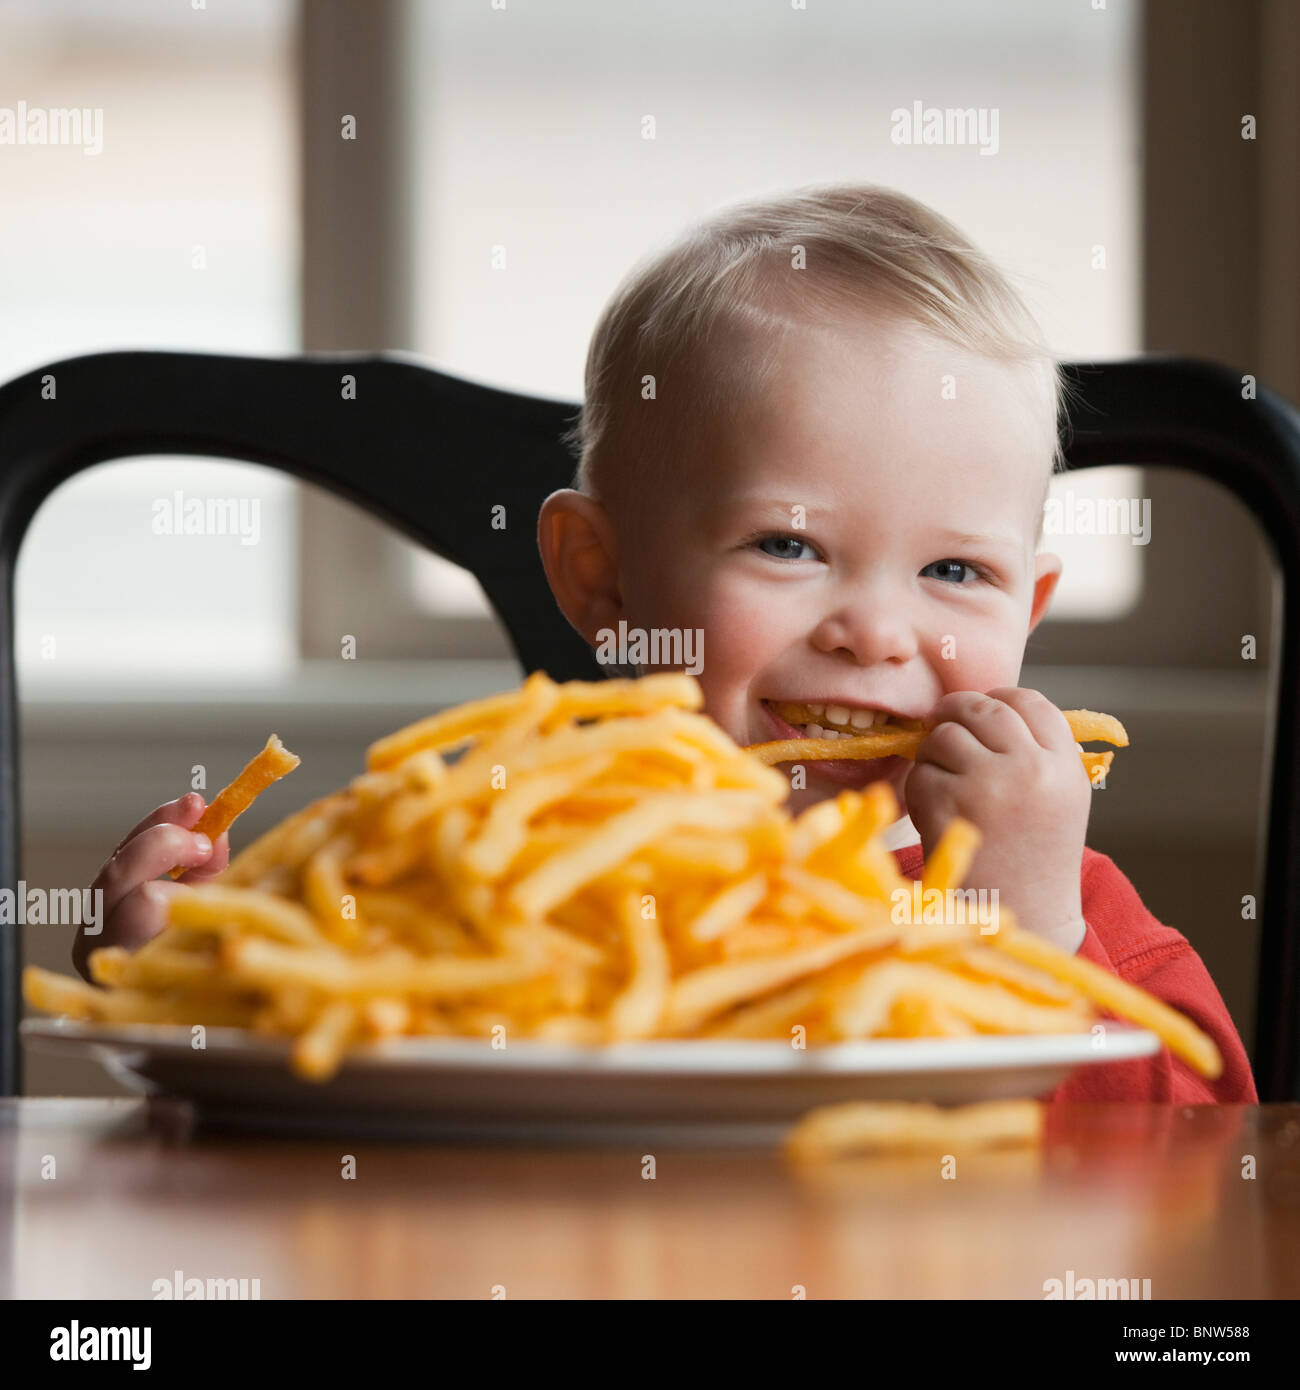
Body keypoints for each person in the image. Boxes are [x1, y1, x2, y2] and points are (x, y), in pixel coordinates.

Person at [81, 183, 1257, 1103]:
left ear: (1029, 612)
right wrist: (191, 978)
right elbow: (338, 1116)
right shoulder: (496, 875)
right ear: (600, 575)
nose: (877, 631)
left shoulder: (1066, 912)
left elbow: (1191, 1194)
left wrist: (1030, 946)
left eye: (957, 571)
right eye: (787, 548)